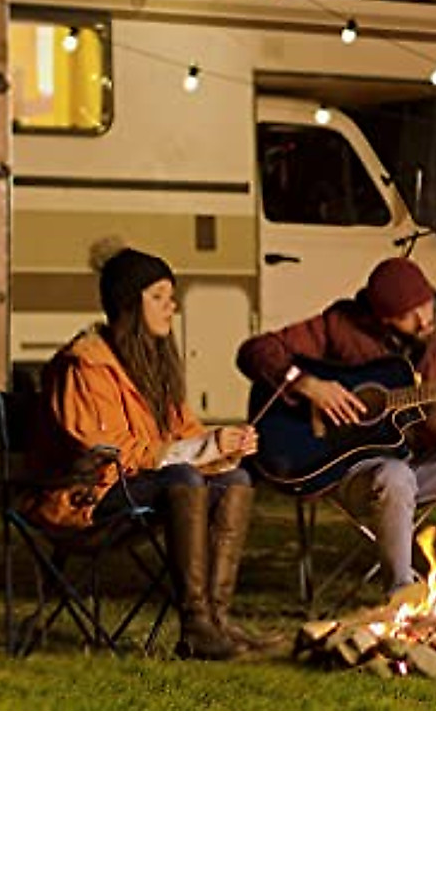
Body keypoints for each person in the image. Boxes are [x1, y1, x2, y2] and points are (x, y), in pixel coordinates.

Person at [27, 245, 266, 660]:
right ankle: (194, 622)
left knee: (235, 481)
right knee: (184, 478)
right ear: (127, 304)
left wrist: (226, 447)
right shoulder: (85, 366)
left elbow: (184, 434)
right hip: (85, 496)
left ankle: (215, 621)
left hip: (136, 488)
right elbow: (109, 452)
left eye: (171, 297)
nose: (170, 307)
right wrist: (203, 448)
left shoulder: (151, 365)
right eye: (157, 297)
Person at [237, 257, 436, 601]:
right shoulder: (342, 325)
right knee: (394, 474)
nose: (424, 319)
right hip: (358, 471)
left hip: (427, 463)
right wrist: (308, 385)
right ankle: (403, 596)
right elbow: (255, 351)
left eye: (425, 304)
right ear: (383, 318)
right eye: (408, 315)